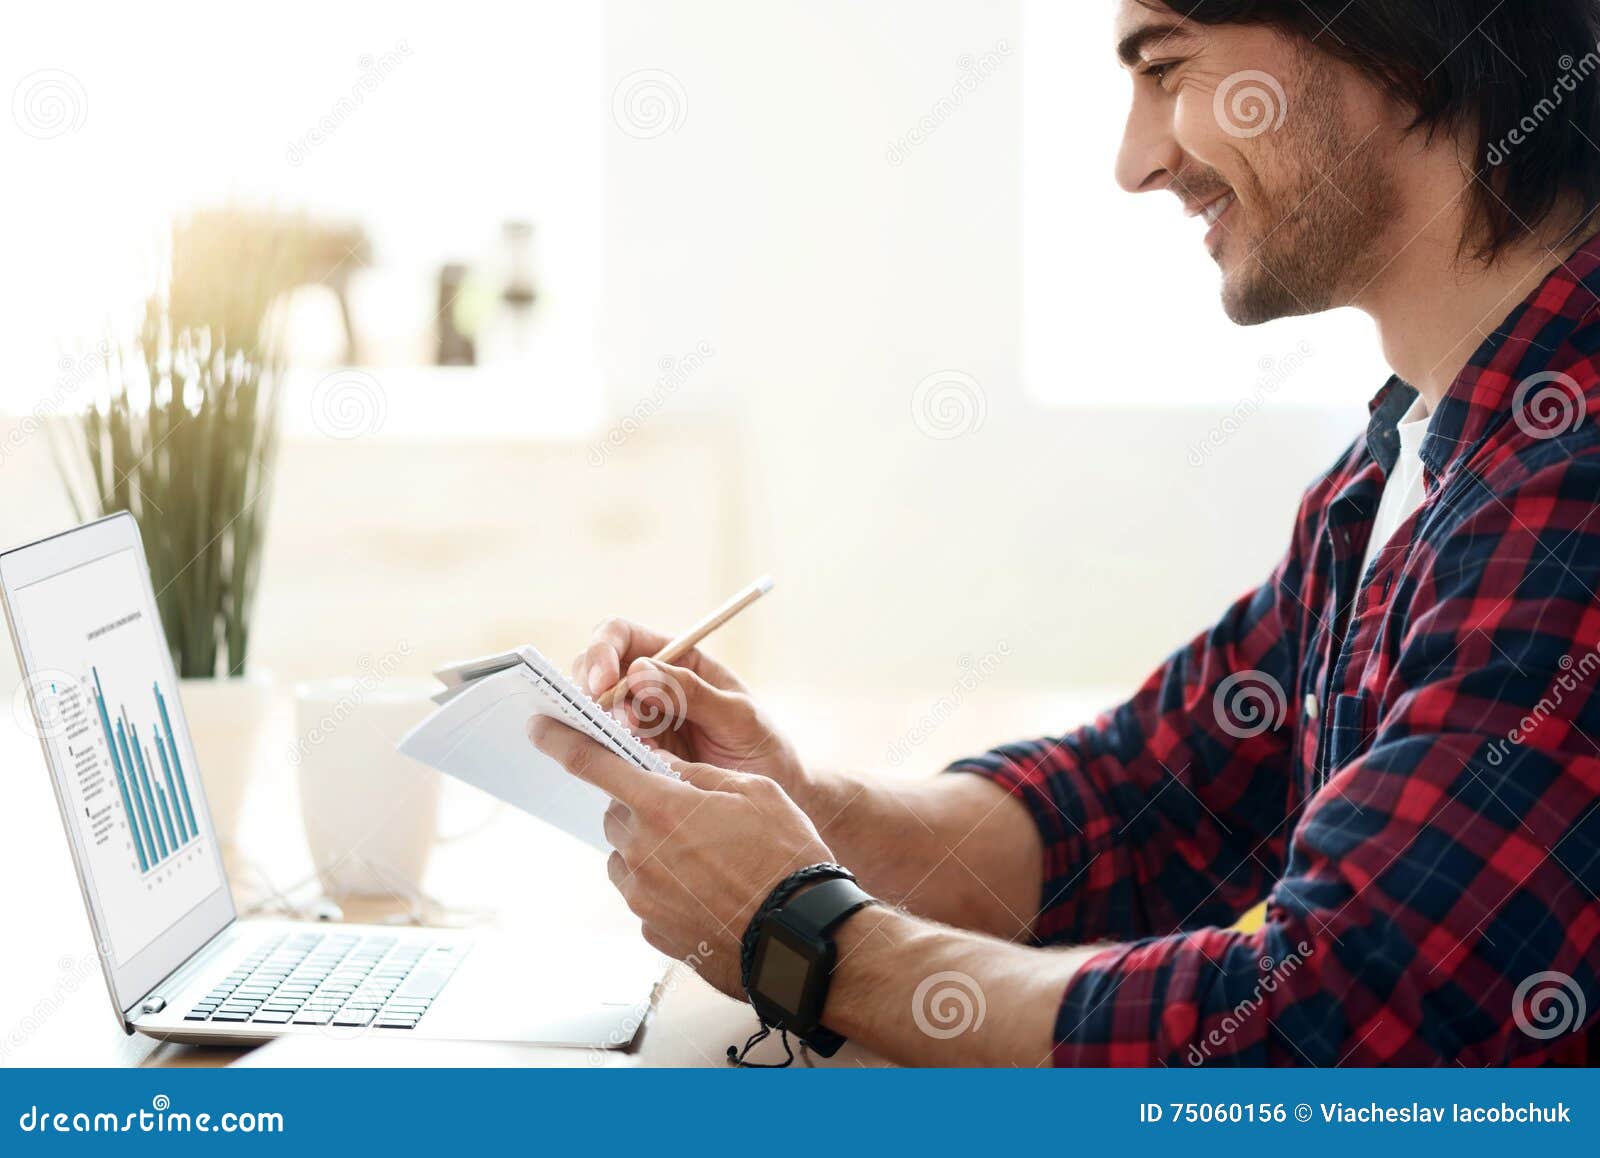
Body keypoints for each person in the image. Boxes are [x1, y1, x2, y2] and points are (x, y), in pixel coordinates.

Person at [531, 0, 1600, 1065]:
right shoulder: (1402, 461)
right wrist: (810, 814)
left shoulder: (1570, 484)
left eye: (1167, 69)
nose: (1136, 164)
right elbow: (1150, 799)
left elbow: (1327, 1022)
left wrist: (810, 934)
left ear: (1398, 46)